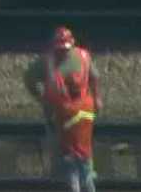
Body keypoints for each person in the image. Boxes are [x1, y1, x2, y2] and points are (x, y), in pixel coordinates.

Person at [25, 26, 103, 177]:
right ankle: (60, 176)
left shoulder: (82, 56)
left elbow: (94, 76)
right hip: (57, 112)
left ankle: (85, 174)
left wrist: (97, 98)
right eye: (60, 49)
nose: (63, 52)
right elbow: (29, 79)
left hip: (80, 109)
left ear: (72, 45)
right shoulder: (46, 62)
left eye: (65, 49)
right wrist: (41, 98)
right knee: (58, 144)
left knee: (83, 143)